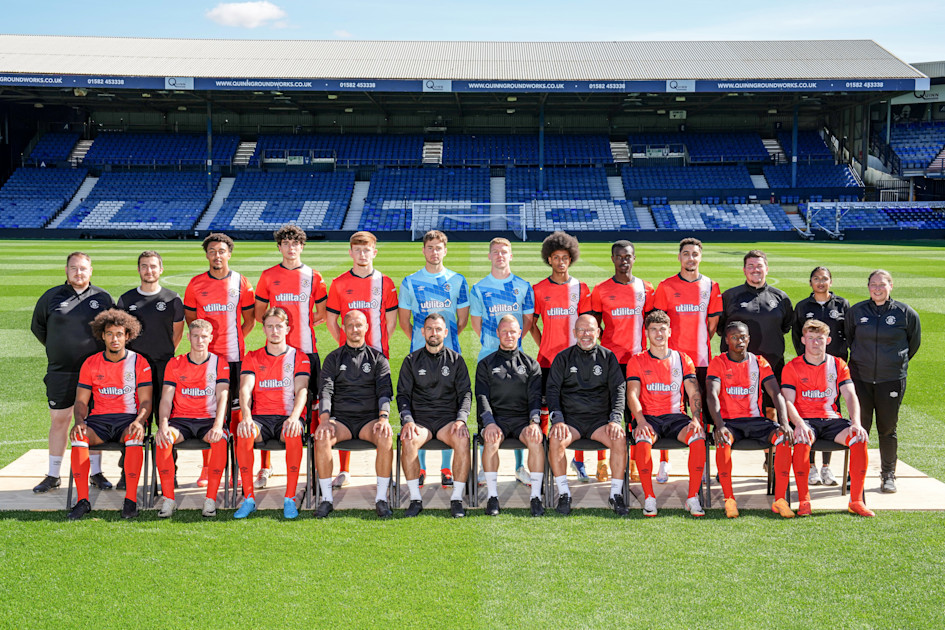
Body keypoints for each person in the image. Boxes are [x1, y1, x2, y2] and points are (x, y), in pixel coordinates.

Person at [32, 251, 115, 494]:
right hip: (61, 371)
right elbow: (39, 328)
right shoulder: (51, 297)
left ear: (91, 271)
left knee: (93, 421)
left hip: (96, 372)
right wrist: (60, 348)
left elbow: (111, 331)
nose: (79, 273)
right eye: (74, 268)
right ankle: (53, 474)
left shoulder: (102, 297)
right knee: (59, 421)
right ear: (66, 271)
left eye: (83, 268)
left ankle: (96, 472)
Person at [254, 224, 327, 490]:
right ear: (279, 247)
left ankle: (317, 466)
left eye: (295, 243)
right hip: (274, 353)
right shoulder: (267, 276)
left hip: (307, 350)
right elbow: (260, 313)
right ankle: (265, 466)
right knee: (266, 405)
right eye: (285, 243)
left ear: (302, 247)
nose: (291, 247)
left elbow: (322, 313)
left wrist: (301, 326)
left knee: (313, 408)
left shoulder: (314, 276)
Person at [325, 231, 398, 489]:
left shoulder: (385, 282)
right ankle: (344, 470)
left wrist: (375, 350)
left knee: (379, 411)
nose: (362, 254)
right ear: (351, 252)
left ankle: (383, 479)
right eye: (357, 250)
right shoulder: (338, 283)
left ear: (374, 252)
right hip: (348, 357)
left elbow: (390, 322)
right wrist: (344, 345)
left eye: (367, 250)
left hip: (378, 358)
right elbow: (332, 321)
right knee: (344, 408)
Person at [398, 230, 469, 489]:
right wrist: (423, 342)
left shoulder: (458, 280)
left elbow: (460, 321)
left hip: (449, 353)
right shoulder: (410, 281)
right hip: (419, 354)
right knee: (420, 408)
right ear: (423, 250)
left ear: (445, 250)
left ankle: (447, 468)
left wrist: (441, 341)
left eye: (439, 247)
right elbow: (405, 322)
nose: (434, 252)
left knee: (449, 406)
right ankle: (422, 468)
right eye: (430, 247)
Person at [589, 239, 665, 484]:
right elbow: (594, 326)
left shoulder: (646, 288)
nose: (624, 260)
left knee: (635, 412)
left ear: (634, 258)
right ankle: (602, 462)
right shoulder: (600, 290)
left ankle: (633, 462)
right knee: (606, 411)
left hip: (638, 361)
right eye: (619, 256)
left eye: (628, 256)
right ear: (612, 259)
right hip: (610, 361)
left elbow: (652, 324)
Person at [183, 233, 255, 487]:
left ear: (229, 254)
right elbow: (193, 322)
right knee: (208, 413)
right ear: (207, 255)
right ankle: (207, 468)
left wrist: (233, 340)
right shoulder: (195, 284)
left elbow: (249, 320)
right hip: (206, 361)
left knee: (235, 413)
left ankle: (236, 464)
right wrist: (207, 347)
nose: (217, 255)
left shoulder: (241, 282)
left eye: (222, 251)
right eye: (212, 251)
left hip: (234, 359)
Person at [781, 319, 874, 517]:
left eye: (820, 339)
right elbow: (787, 401)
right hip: (806, 420)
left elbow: (850, 395)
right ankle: (804, 501)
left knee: (859, 438)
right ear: (803, 340)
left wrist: (856, 423)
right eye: (811, 338)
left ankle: (856, 501)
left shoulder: (838, 364)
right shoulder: (792, 366)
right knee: (801, 438)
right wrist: (798, 424)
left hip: (832, 420)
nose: (815, 343)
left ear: (828, 340)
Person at [530, 232, 603, 483]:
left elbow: (587, 324)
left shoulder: (581, 288)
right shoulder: (538, 289)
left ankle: (579, 461)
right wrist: (546, 345)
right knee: (543, 411)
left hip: (577, 361)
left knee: (578, 409)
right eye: (556, 257)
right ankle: (541, 458)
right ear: (548, 259)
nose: (561, 262)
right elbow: (531, 324)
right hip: (548, 361)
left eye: (565, 258)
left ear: (570, 260)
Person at [706, 321, 798, 519]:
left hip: (756, 420)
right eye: (734, 337)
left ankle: (780, 499)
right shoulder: (718, 362)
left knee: (783, 439)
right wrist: (719, 425)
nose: (740, 341)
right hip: (730, 423)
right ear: (726, 340)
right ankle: (729, 499)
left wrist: (784, 423)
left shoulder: (759, 362)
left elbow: (776, 394)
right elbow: (712, 395)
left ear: (749, 339)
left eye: (743, 337)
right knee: (723, 441)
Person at [66, 309, 152, 520]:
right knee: (79, 437)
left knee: (134, 436)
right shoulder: (91, 363)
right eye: (110, 333)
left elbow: (146, 401)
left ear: (127, 335)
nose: (115, 339)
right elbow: (80, 401)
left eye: (119, 334)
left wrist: (140, 422)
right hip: (99, 421)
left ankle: (130, 500)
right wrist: (79, 421)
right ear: (102, 335)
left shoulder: (139, 362)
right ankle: (83, 501)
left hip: (128, 419)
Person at [845, 270, 921, 493]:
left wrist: (893, 363)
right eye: (873, 284)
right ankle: (854, 474)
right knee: (860, 427)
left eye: (882, 284)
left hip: (891, 380)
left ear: (891, 286)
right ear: (868, 287)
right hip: (861, 379)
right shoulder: (857, 311)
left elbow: (912, 344)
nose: (877, 288)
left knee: (888, 429)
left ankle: (888, 475)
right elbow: (850, 339)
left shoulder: (905, 313)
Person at [314, 310, 395, 518]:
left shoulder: (378, 358)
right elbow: (325, 390)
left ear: (367, 327)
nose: (355, 329)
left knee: (386, 435)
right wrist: (324, 420)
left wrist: (383, 418)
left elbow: (385, 391)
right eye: (350, 325)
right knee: (321, 437)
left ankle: (381, 499)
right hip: (341, 421)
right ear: (343, 328)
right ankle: (326, 499)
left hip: (369, 421)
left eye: (359, 325)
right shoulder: (333, 358)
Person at [626, 310, 707, 517]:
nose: (658, 334)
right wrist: (641, 421)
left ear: (670, 331)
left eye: (662, 329)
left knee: (698, 437)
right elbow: (632, 394)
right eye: (653, 329)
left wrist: (697, 419)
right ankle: (650, 497)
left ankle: (692, 498)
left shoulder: (682, 359)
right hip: (650, 418)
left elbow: (694, 392)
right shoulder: (637, 360)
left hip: (676, 417)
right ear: (647, 333)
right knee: (643, 438)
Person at [546, 314, 628, 516]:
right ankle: (564, 493)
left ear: (598, 332)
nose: (585, 335)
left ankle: (615, 494)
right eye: (581, 330)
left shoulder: (608, 357)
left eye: (590, 330)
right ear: (574, 333)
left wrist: (615, 420)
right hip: (571, 421)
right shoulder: (563, 358)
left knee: (619, 439)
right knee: (556, 439)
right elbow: (552, 390)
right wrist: (558, 420)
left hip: (599, 422)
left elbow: (619, 389)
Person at [116, 250, 184, 489]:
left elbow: (177, 333)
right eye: (144, 266)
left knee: (165, 419)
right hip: (134, 369)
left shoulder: (172, 299)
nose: (149, 271)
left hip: (164, 367)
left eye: (153, 266)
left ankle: (169, 472)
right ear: (138, 269)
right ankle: (127, 472)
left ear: (161, 269)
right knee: (135, 419)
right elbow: (121, 334)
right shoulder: (126, 300)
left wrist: (162, 354)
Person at [233, 307, 310, 519]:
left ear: (287, 328)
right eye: (270, 326)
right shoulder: (253, 357)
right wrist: (246, 417)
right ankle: (248, 499)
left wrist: (295, 417)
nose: (274, 330)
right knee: (245, 432)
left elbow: (301, 389)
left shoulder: (299, 357)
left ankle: (290, 498)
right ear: (264, 329)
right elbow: (245, 389)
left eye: (279, 326)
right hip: (261, 418)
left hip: (287, 416)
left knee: (294, 432)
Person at [469, 237, 535, 486]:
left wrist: (512, 343)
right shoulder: (479, 288)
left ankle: (520, 466)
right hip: (488, 354)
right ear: (489, 256)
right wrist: (492, 342)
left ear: (511, 255)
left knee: (517, 407)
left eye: (504, 252)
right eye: (495, 252)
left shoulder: (523, 286)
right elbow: (476, 322)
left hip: (516, 356)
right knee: (487, 408)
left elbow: (527, 321)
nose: (500, 256)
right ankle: (487, 465)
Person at [397, 313, 472, 518]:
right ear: (422, 332)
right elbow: (402, 395)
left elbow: (466, 393)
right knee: (409, 439)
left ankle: (456, 499)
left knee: (463, 439)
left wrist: (461, 419)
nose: (434, 333)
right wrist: (408, 420)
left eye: (438, 329)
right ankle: (415, 499)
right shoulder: (411, 360)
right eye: (429, 328)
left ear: (446, 332)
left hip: (448, 422)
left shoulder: (456, 360)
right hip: (420, 422)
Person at [154, 319, 230, 518]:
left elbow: (223, 395)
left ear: (210, 338)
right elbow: (166, 398)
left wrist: (218, 425)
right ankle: (169, 499)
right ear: (188, 337)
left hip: (208, 421)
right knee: (163, 440)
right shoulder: (176, 363)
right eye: (195, 336)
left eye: (204, 336)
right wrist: (163, 424)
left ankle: (210, 499)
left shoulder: (219, 362)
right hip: (181, 422)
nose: (199, 340)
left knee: (220, 440)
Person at [475, 315, 545, 517]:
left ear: (520, 334)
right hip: (497, 420)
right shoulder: (486, 364)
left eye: (513, 331)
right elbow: (482, 397)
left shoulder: (531, 364)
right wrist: (488, 423)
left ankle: (535, 497)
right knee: (491, 440)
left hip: (523, 421)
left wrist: (534, 422)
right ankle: (493, 496)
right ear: (497, 334)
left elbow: (534, 398)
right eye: (504, 331)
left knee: (535, 438)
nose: (508, 335)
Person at [791, 266, 850, 487]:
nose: (821, 282)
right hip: (808, 367)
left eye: (824, 279)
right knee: (807, 413)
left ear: (831, 282)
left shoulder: (842, 304)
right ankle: (812, 466)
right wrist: (806, 360)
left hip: (834, 368)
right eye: (816, 278)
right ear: (810, 283)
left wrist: (840, 357)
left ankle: (826, 467)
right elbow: (797, 335)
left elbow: (849, 333)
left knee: (831, 413)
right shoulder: (803, 306)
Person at [719, 250, 793, 422]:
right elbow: (721, 328)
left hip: (772, 363)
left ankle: (770, 449)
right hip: (736, 366)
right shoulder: (730, 296)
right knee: (734, 409)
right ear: (744, 270)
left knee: (771, 409)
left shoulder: (781, 297)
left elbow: (785, 326)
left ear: (767, 268)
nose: (755, 270)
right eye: (750, 266)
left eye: (759, 266)